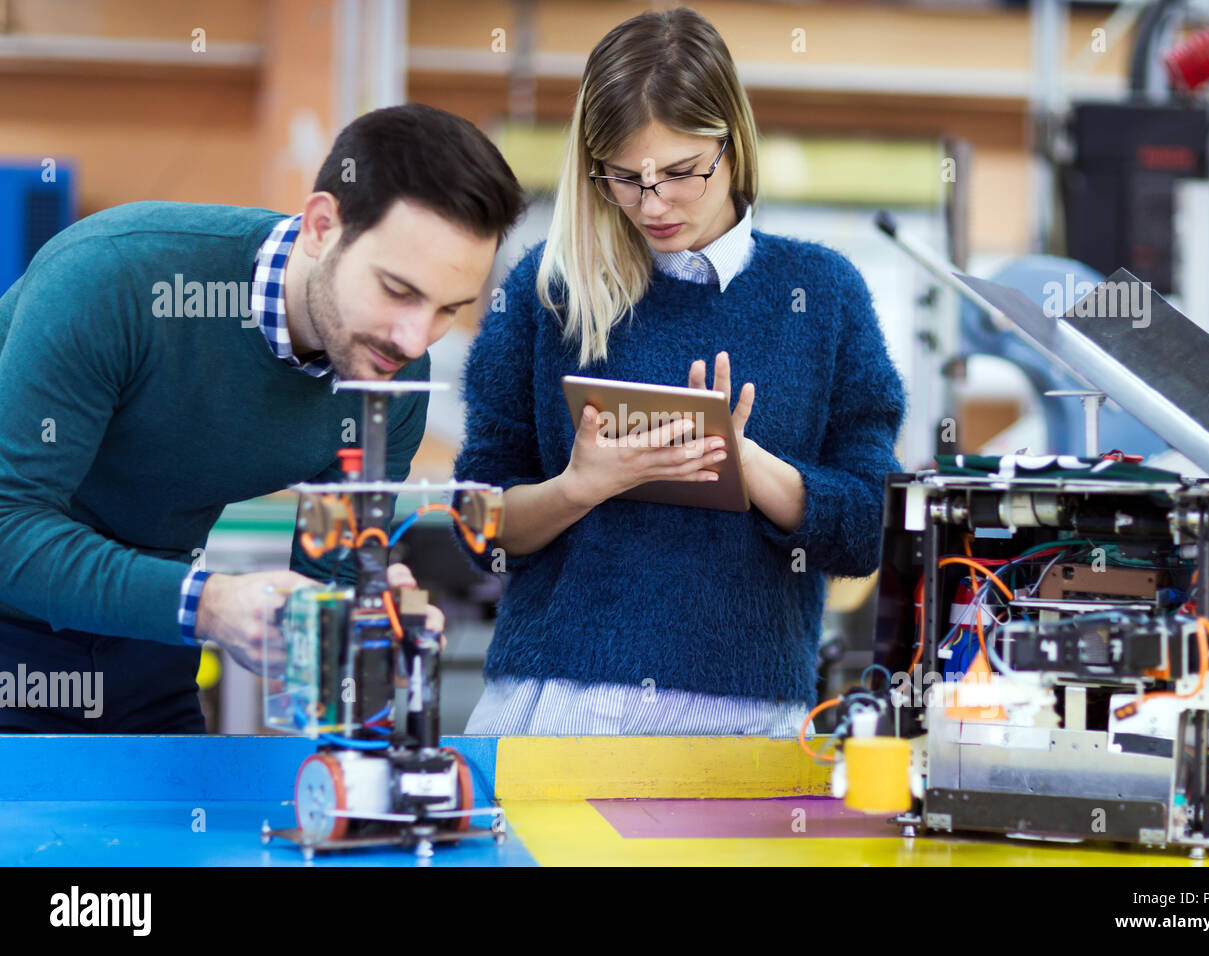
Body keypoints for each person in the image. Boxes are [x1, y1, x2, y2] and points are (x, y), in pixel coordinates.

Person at [0, 104, 526, 732]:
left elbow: (333, 572)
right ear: (322, 226)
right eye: (397, 290)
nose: (415, 339)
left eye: (448, 309)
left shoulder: (390, 375)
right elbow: (7, 523)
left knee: (178, 829)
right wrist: (209, 602)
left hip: (149, 650)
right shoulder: (113, 280)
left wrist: (366, 622)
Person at [453, 8, 906, 735]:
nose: (653, 203)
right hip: (558, 709)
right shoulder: (547, 288)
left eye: (682, 173)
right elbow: (477, 525)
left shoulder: (823, 293)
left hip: (747, 724)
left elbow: (870, 530)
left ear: (733, 143)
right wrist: (580, 487)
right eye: (624, 178)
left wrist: (751, 467)